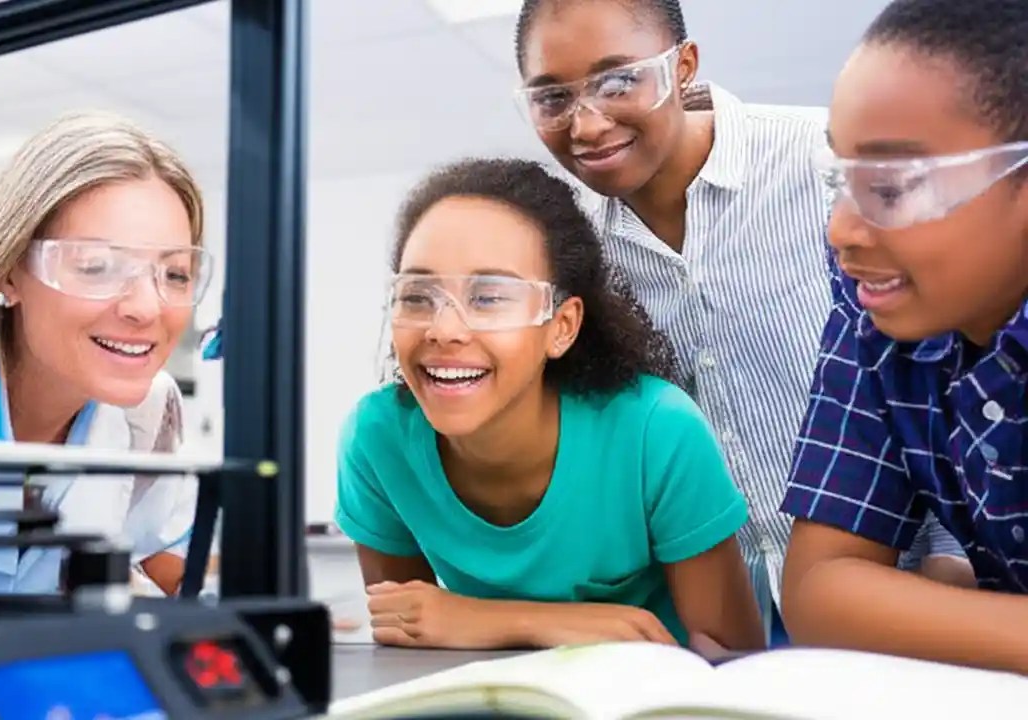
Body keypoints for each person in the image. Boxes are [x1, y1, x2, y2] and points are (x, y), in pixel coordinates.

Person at [512, 0, 972, 637]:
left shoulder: (822, 164)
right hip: (724, 622)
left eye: (619, 80)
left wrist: (954, 558)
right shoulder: (579, 255)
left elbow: (950, 358)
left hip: (910, 590)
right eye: (553, 98)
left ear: (684, 66)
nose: (586, 126)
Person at [335, 158, 766, 651]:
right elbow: (407, 626)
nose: (444, 330)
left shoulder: (656, 431)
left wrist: (480, 619)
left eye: (489, 297)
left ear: (561, 327)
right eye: (418, 295)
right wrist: (576, 624)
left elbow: (732, 656)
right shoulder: (377, 438)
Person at [781, 0, 1028, 672]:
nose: (841, 230)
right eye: (840, 179)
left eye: (890, 186)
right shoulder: (881, 315)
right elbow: (818, 589)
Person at [0, 110, 212, 596]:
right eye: (97, 267)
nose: (146, 307)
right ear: (10, 269)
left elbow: (165, 560)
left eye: (175, 274)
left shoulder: (148, 411)